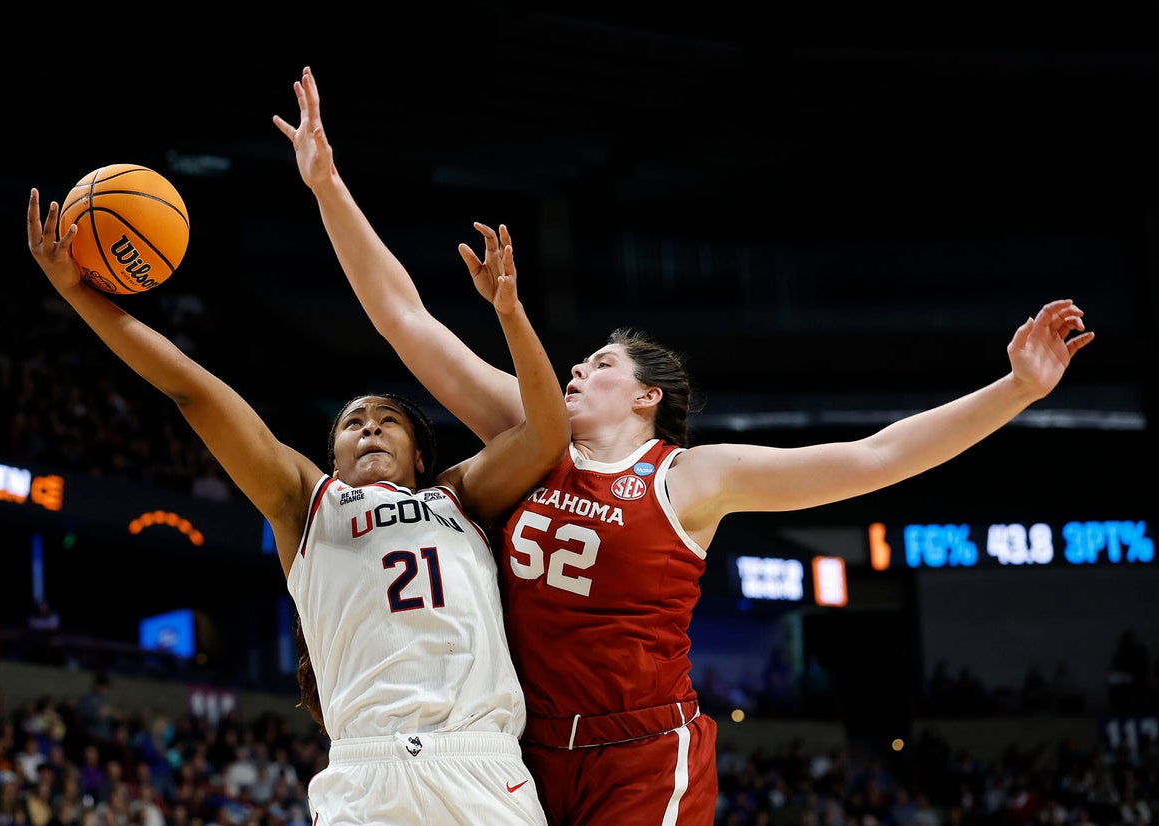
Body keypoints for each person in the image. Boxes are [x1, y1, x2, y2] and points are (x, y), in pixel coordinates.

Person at [275, 65, 1097, 825]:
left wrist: (1017, 390)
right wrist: (326, 185)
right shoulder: (530, 439)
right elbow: (405, 318)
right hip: (518, 751)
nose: (574, 369)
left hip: (640, 753)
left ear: (645, 396)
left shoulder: (690, 478)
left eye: (598, 364)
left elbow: (878, 457)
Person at [26, 183, 570, 824]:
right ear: (333, 454)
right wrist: (76, 293)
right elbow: (191, 391)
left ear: (421, 455)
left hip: (481, 765)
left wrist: (510, 314)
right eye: (354, 422)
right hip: (366, 774)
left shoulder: (464, 496)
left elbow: (547, 432)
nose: (369, 427)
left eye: (387, 419)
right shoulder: (307, 503)